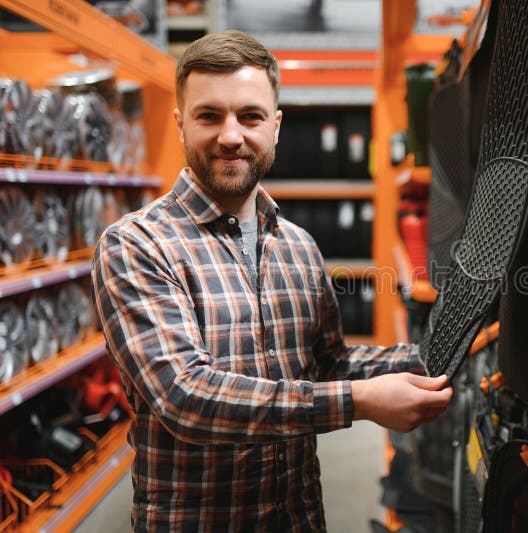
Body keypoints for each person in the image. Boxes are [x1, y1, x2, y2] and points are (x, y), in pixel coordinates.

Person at [91, 29, 453, 531]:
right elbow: (186, 398)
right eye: (209, 116)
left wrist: (443, 349)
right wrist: (362, 402)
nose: (231, 135)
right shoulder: (136, 245)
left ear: (276, 126)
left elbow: (326, 364)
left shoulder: (298, 245)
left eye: (251, 116)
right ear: (179, 124)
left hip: (298, 518)